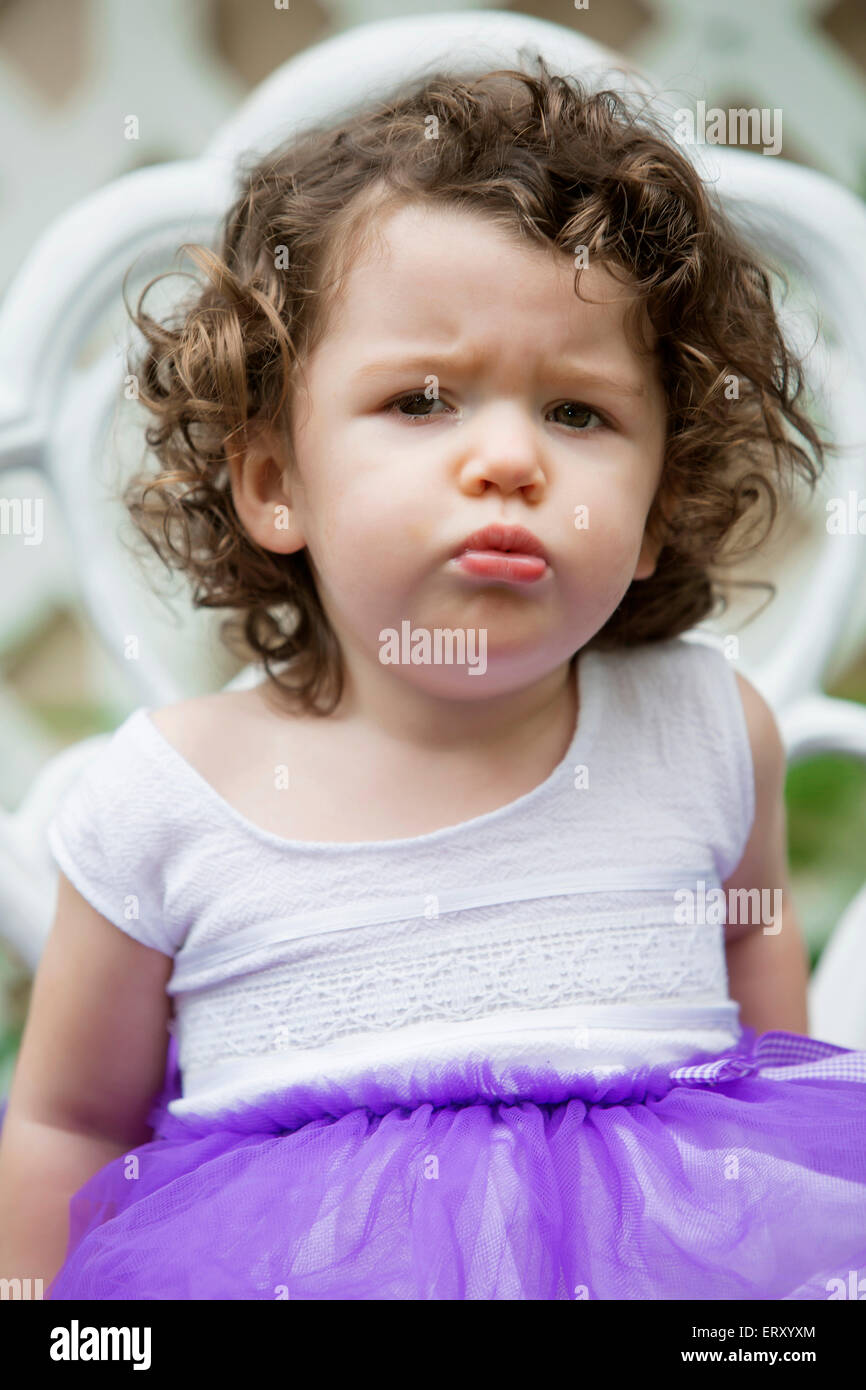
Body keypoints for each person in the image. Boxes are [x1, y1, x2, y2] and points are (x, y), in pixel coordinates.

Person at [1, 58, 864, 1301]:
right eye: (419, 399)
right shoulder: (166, 800)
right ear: (273, 483)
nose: (507, 457)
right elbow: (71, 1123)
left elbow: (773, 1078)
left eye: (577, 412)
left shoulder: (704, 732)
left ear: (657, 506)